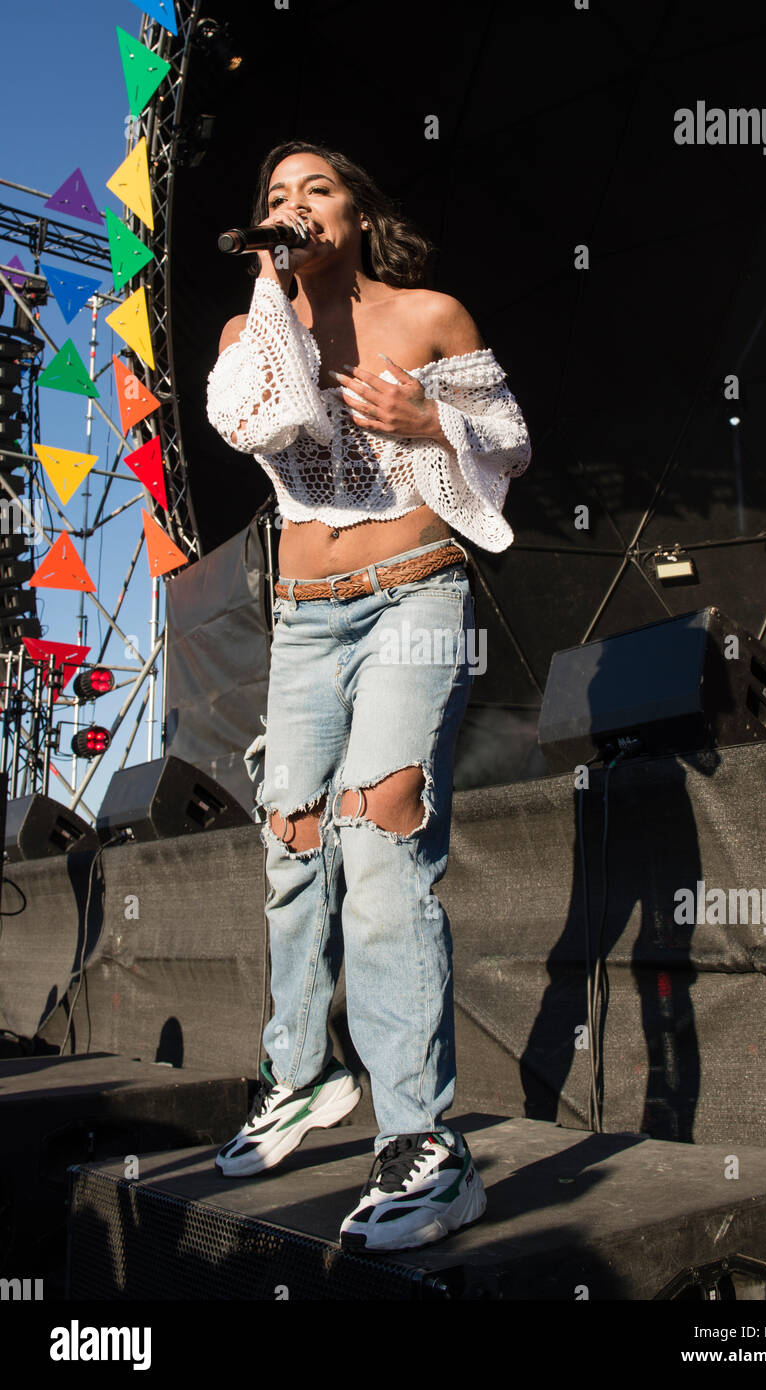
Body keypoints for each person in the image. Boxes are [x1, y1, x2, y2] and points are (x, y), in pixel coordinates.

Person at [206, 139, 531, 1252]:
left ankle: (422, 1147)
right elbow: (266, 420)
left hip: (412, 596)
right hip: (303, 617)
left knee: (379, 835)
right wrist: (274, 280)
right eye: (277, 198)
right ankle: (297, 1073)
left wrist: (429, 424)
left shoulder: (431, 315)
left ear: (359, 210)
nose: (295, 206)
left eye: (318, 190)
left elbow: (510, 445)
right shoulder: (250, 338)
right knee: (292, 834)